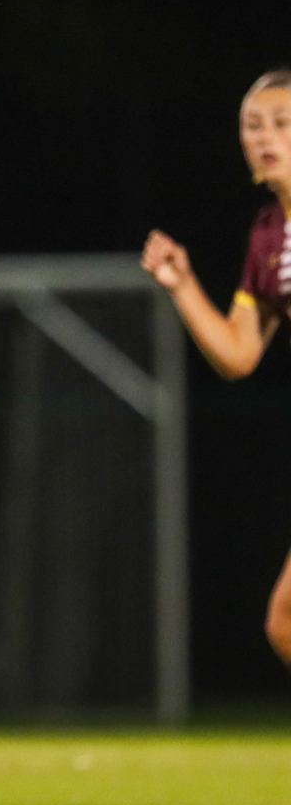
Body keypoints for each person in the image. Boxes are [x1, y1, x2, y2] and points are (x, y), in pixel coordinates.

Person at [143, 69, 291, 676]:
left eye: (282, 124)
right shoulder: (269, 236)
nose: (264, 137)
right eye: (252, 126)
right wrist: (182, 286)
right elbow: (237, 353)